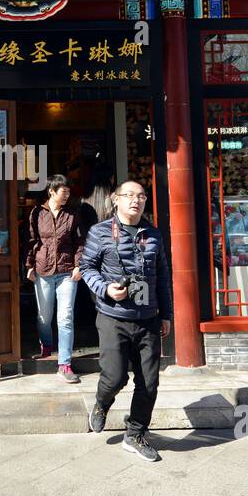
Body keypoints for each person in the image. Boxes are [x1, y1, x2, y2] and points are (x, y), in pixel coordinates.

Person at [79, 181, 173, 462]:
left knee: (150, 383)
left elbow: (163, 276)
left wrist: (166, 313)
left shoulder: (153, 234)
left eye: (141, 196)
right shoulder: (100, 232)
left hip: (147, 318)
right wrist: (105, 288)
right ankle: (101, 403)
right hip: (112, 316)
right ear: (115, 200)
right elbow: (86, 267)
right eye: (130, 195)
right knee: (115, 376)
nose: (136, 200)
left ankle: (135, 434)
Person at [24, 174, 84, 383]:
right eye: (63, 191)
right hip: (43, 270)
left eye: (68, 192)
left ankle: (65, 364)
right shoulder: (37, 213)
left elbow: (79, 242)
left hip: (68, 271)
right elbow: (31, 241)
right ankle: (46, 344)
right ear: (51, 191)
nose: (66, 195)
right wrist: (29, 266)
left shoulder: (73, 214)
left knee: (65, 316)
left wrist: (79, 266)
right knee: (44, 316)